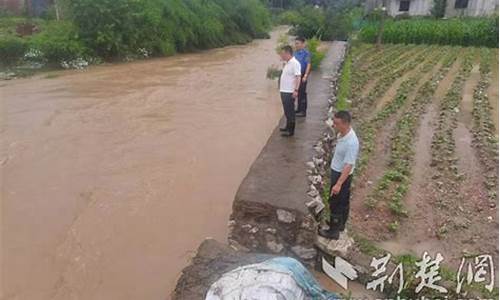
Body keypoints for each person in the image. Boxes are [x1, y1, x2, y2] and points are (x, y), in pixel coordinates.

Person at [319, 111, 359, 240]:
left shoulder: (352, 142)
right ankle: (340, 225)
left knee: (336, 203)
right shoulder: (343, 134)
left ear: (346, 124)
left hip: (342, 175)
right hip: (338, 172)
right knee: (343, 201)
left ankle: (333, 232)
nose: (334, 126)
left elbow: (348, 165)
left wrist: (338, 184)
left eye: (336, 123)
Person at [278, 45, 302, 137]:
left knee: (290, 111)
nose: (281, 56)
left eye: (282, 54)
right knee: (286, 110)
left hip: (289, 91)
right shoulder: (288, 63)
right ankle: (287, 127)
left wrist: (296, 90)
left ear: (288, 53)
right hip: (284, 90)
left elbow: (298, 77)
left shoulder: (295, 63)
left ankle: (291, 131)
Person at [294, 37, 312, 117]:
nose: (296, 45)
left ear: (302, 44)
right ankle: (298, 108)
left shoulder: (306, 53)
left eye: (297, 43)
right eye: (295, 43)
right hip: (295, 75)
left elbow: (308, 64)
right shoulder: (294, 53)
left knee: (302, 93)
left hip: (302, 74)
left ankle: (303, 111)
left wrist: (305, 75)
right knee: (297, 92)